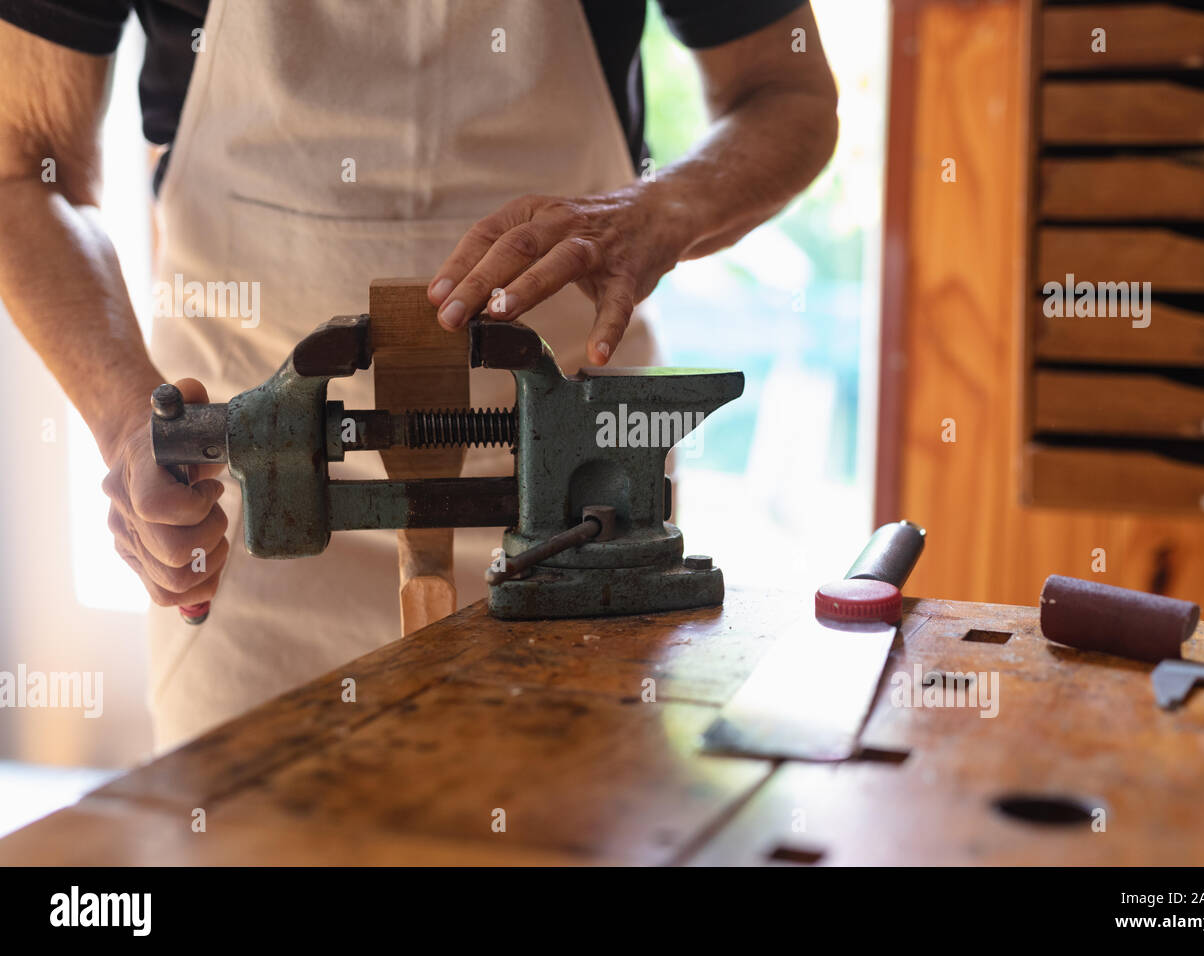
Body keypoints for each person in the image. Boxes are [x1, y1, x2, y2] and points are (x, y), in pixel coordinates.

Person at [0, 0, 838, 750]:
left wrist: (657, 210)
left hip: (578, 528)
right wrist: (124, 422)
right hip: (248, 535)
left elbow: (789, 94)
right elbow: (21, 163)